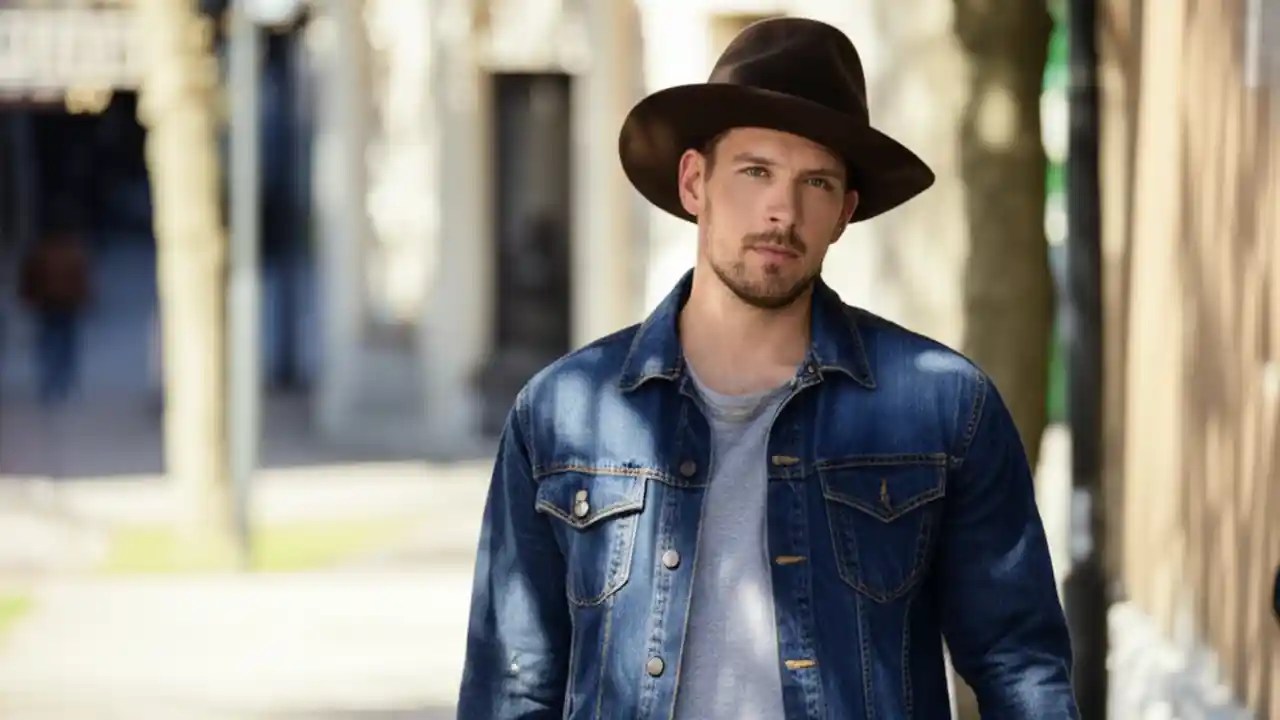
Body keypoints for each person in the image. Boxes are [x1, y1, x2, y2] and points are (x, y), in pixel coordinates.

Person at [458, 17, 1078, 719]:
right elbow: (512, 688)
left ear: (844, 211)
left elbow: (1019, 667)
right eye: (756, 172)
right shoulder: (563, 413)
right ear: (696, 182)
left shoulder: (943, 409)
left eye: (815, 183)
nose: (783, 210)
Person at [18, 214, 93, 406]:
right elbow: (82, 278)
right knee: (64, 342)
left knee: (51, 341)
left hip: (50, 303)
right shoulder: (73, 251)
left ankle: (53, 380)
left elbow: (29, 276)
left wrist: (28, 296)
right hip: (62, 303)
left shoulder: (41, 251)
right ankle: (60, 380)